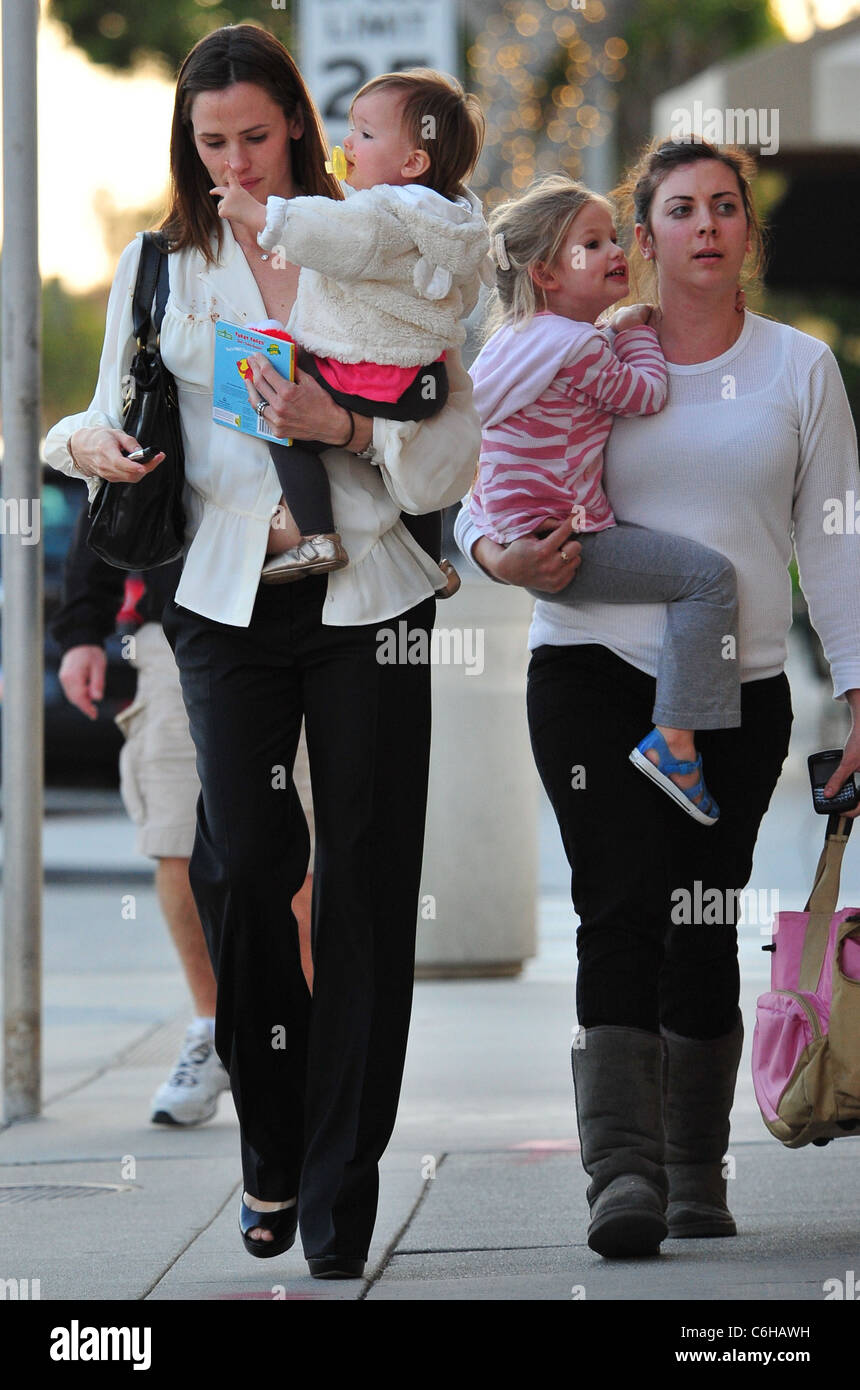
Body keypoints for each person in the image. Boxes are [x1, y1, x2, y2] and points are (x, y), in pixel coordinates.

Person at [46, 22, 479, 1281]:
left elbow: (447, 449)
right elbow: (103, 401)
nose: (232, 159)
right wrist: (91, 451)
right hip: (222, 594)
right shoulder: (158, 261)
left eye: (253, 133)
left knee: (366, 888)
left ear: (296, 122)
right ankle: (270, 1138)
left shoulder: (384, 240)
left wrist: (340, 417)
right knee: (242, 863)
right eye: (209, 141)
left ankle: (342, 1183)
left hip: (372, 595)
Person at [456, 137, 860, 1258]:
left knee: (699, 918)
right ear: (640, 242)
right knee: (618, 904)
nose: (702, 226)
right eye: (676, 209)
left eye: (722, 206)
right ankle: (621, 1178)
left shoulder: (795, 367)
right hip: (587, 667)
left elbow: (833, 539)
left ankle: (696, 1171)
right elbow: (469, 473)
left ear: (745, 232)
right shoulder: (573, 350)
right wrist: (494, 556)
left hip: (741, 686)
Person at [468, 175, 740, 824]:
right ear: (546, 275)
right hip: (572, 542)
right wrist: (635, 327)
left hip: (520, 540)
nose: (615, 251)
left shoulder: (507, 347)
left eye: (612, 237)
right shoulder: (580, 345)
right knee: (709, 579)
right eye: (591, 244)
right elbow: (646, 394)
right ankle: (676, 742)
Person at [52, 512, 317, 1122]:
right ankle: (214, 1026)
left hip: (300, 614)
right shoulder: (162, 408)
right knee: (175, 836)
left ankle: (296, 1042)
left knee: (292, 852)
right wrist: (82, 632)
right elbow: (114, 492)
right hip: (176, 620)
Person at [212, 65, 490, 586]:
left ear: (413, 161)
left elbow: (330, 232)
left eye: (365, 133)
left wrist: (256, 214)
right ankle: (431, 560)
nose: (349, 142)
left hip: (369, 373)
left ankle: (317, 535)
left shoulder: (381, 213)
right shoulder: (447, 221)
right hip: (419, 378)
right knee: (401, 463)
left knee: (274, 391)